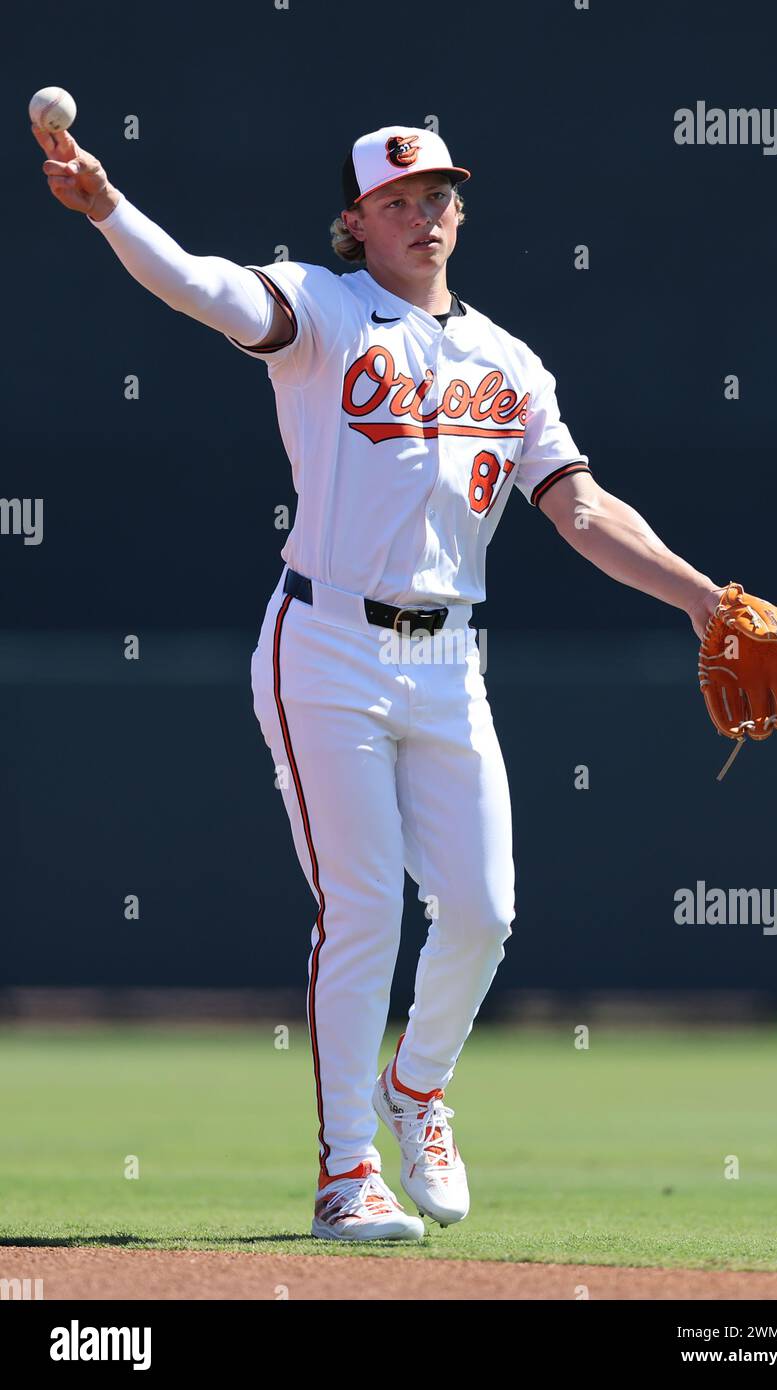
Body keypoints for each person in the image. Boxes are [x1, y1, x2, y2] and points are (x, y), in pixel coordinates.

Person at [33, 120, 724, 1242]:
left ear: (461, 212)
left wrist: (702, 597)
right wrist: (111, 208)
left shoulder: (510, 363)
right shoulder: (321, 307)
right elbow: (203, 289)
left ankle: (415, 1089)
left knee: (485, 912)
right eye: (397, 200)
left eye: (438, 195)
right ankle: (345, 1172)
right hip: (327, 643)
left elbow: (582, 512)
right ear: (354, 222)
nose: (422, 215)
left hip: (449, 658)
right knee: (362, 908)